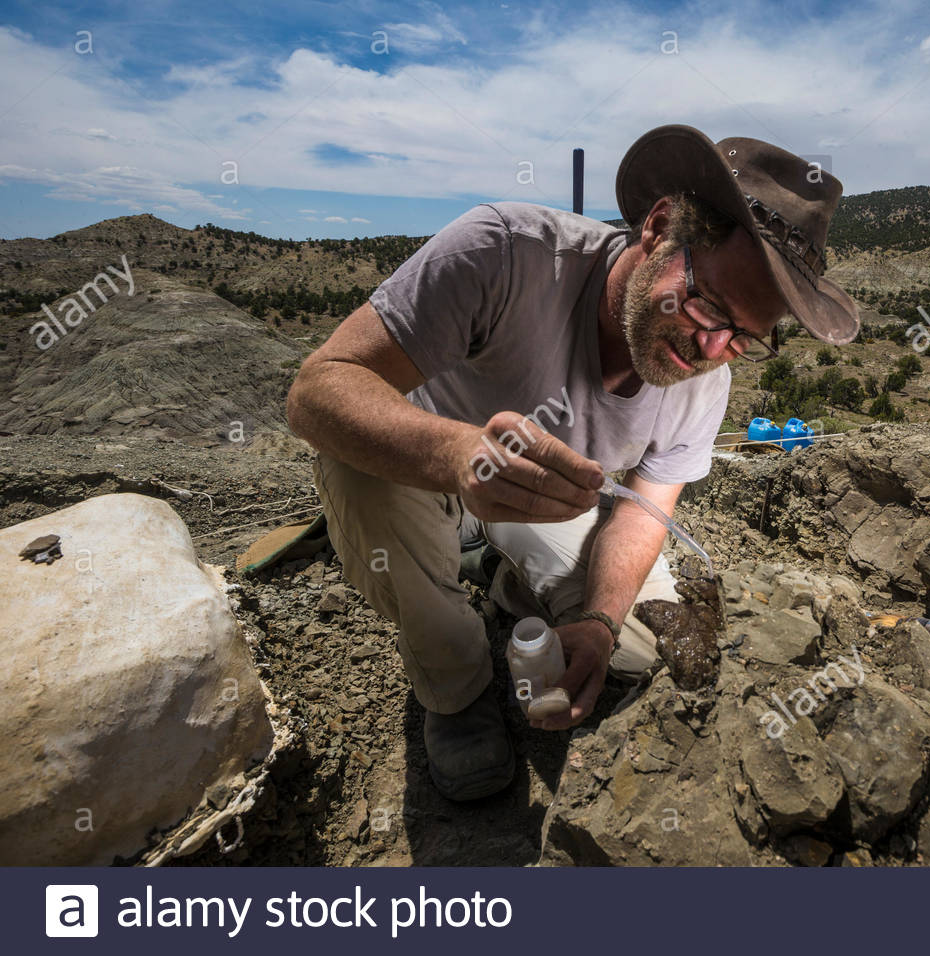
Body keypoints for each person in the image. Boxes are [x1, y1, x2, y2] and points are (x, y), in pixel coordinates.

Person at [286, 124, 859, 801]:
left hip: (543, 499)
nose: (708, 345)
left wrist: (599, 622)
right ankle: (455, 685)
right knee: (358, 473)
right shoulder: (504, 250)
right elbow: (316, 390)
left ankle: (499, 571)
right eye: (705, 304)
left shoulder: (710, 375)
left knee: (639, 649)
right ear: (659, 226)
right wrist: (458, 455)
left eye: (743, 338)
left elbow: (650, 512)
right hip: (418, 467)